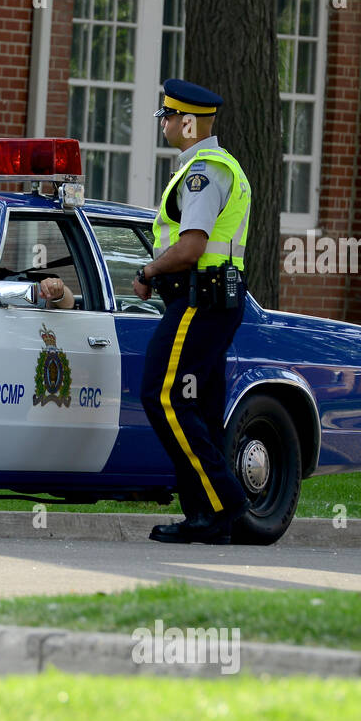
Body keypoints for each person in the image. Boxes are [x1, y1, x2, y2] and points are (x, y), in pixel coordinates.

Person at [133, 79, 251, 544]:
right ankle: (206, 519)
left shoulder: (204, 171)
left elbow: (192, 246)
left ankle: (223, 501)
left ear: (186, 122)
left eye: (166, 115)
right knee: (198, 405)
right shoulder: (220, 168)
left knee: (162, 396)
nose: (163, 123)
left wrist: (147, 270)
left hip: (197, 299)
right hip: (212, 301)